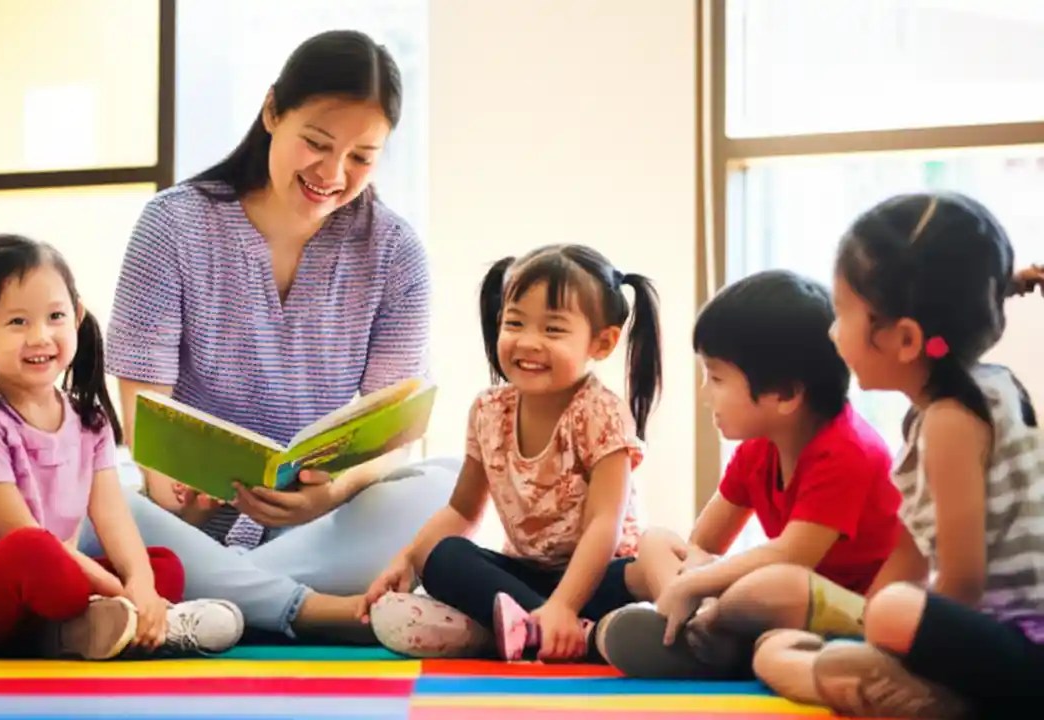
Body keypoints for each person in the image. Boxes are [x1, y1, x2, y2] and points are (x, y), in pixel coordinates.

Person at [83, 29, 456, 642]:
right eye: (316, 142)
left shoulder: (396, 253)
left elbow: (396, 438)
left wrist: (332, 490)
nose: (333, 173)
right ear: (272, 111)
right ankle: (315, 612)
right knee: (90, 498)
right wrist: (172, 490)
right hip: (188, 517)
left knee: (445, 485)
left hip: (326, 525)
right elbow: (144, 411)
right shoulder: (172, 225)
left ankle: (208, 602)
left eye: (362, 156)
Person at [753, 193, 1044, 718]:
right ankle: (886, 682)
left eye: (841, 314)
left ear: (904, 339)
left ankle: (938, 695)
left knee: (876, 619)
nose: (831, 331)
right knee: (789, 649)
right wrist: (867, 632)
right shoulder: (976, 395)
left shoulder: (953, 418)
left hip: (1021, 655)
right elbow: (909, 554)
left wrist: (890, 638)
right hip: (995, 644)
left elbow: (963, 580)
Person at [0, 234, 243, 659]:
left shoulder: (89, 421)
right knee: (37, 553)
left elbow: (113, 518)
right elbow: (24, 535)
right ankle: (135, 622)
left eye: (55, 316)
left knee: (161, 566)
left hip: (49, 584)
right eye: (17, 322)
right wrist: (128, 594)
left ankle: (84, 630)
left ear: (77, 317)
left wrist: (140, 582)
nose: (41, 336)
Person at [593, 270, 913, 679]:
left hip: (855, 615)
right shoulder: (758, 449)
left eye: (717, 378)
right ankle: (700, 631)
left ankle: (707, 638)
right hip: (778, 602)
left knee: (774, 585)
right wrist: (692, 578)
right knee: (656, 541)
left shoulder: (848, 451)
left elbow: (792, 556)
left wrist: (695, 584)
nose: (706, 394)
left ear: (786, 394)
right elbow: (703, 542)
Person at [363, 245, 662, 661]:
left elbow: (603, 524)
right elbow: (462, 512)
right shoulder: (489, 411)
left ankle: (557, 628)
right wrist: (406, 561)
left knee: (640, 571)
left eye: (553, 330)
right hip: (528, 577)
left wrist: (565, 603)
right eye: (515, 323)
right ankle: (556, 632)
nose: (528, 342)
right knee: (445, 555)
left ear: (603, 343)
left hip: (597, 577)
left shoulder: (601, 412)